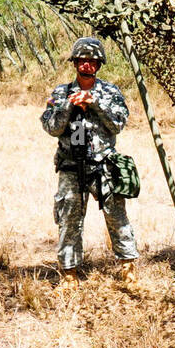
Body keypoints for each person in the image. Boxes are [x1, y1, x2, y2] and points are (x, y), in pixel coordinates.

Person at [41, 37, 137, 286]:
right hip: (71, 166)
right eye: (82, 60)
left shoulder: (110, 92)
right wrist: (68, 107)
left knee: (117, 217)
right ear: (75, 63)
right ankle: (69, 273)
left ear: (99, 64)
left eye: (92, 61)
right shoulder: (60, 93)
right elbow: (51, 127)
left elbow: (118, 124)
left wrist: (95, 103)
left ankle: (128, 268)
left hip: (104, 165)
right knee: (69, 219)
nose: (86, 65)